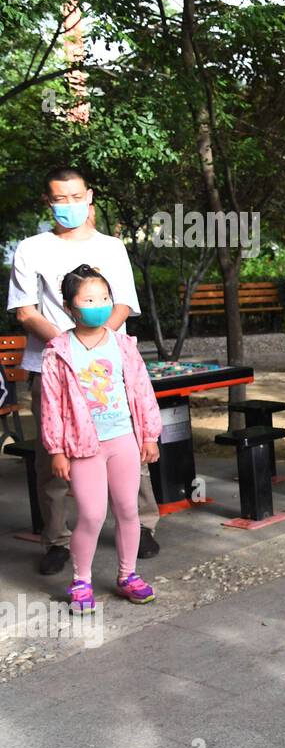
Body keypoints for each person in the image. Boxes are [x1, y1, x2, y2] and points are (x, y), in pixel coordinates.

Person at [7, 166, 162, 575]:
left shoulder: (112, 247)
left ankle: (142, 524)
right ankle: (56, 539)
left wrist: (98, 346)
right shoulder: (31, 249)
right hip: (52, 366)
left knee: (127, 445)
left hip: (111, 369)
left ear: (90, 197)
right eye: (60, 199)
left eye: (77, 197)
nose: (69, 206)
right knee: (53, 457)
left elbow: (123, 304)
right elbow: (25, 310)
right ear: (48, 202)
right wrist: (67, 347)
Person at [40, 264, 162, 613]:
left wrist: (149, 435)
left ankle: (128, 576)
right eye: (89, 299)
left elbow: (141, 389)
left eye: (104, 297)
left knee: (128, 509)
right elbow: (51, 404)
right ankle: (81, 581)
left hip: (123, 438)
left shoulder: (123, 345)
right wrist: (57, 450)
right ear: (69, 307)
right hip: (82, 446)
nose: (99, 304)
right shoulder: (58, 352)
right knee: (92, 515)